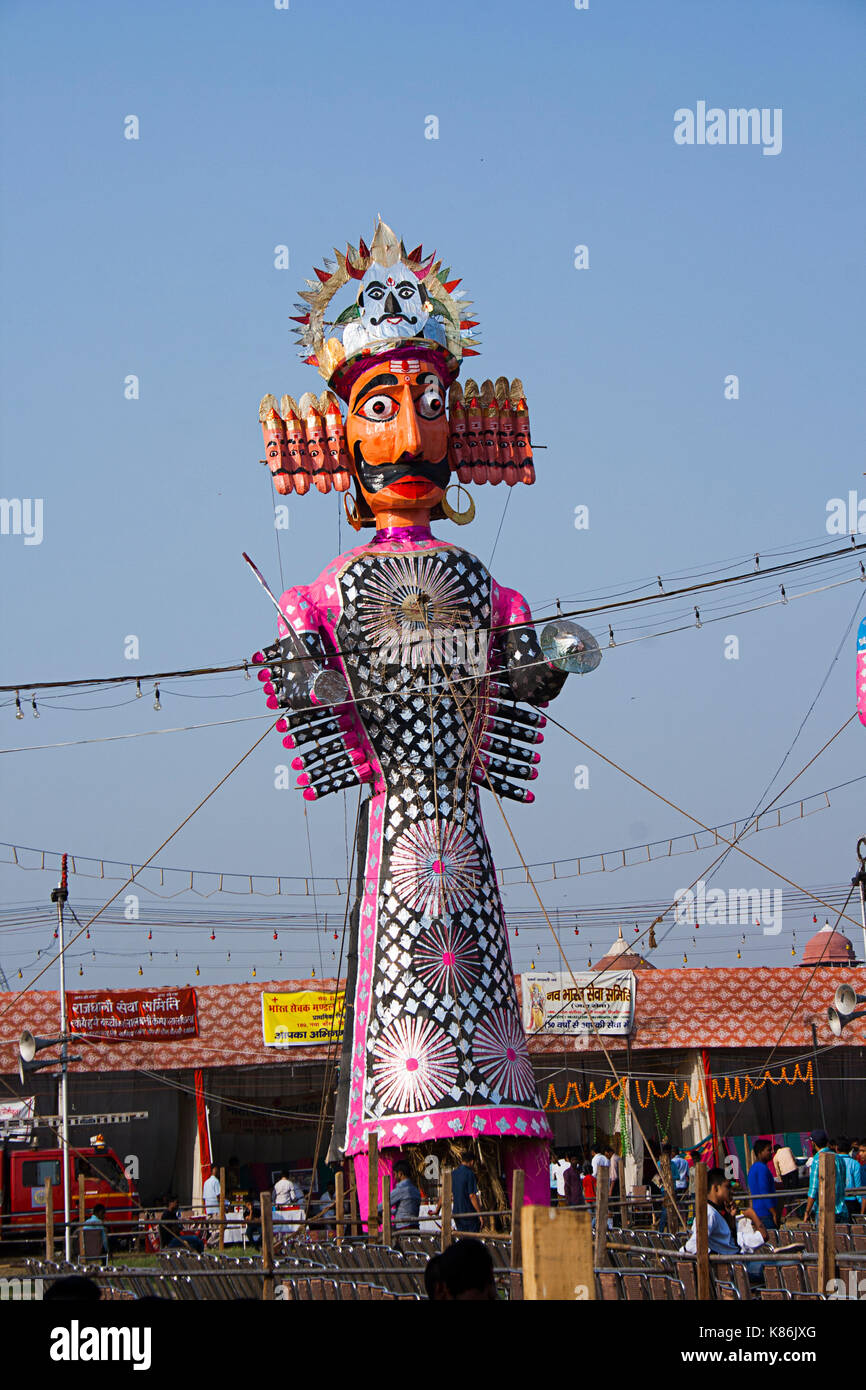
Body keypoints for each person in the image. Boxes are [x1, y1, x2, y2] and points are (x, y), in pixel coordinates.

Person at [681, 1168, 768, 1282]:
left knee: (784, 1264)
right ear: (716, 1188)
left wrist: (730, 1219)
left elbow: (726, 1241)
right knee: (785, 1266)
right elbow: (694, 1245)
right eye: (727, 1187)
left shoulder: (715, 1212)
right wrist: (715, 1257)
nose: (730, 1191)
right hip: (735, 1268)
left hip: (736, 1264)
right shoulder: (709, 1213)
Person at [803, 1130, 849, 1224]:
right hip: (841, 1209)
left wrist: (807, 1211)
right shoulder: (839, 1158)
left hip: (824, 1212)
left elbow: (814, 1189)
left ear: (813, 1143)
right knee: (842, 1238)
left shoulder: (817, 1160)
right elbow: (843, 1183)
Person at [747, 1139, 779, 1230]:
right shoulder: (762, 1168)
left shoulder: (753, 1168)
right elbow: (764, 1191)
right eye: (768, 1150)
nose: (771, 1153)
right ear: (760, 1152)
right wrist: (774, 1213)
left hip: (757, 1213)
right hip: (766, 1214)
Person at [451, 1149, 483, 1234]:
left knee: (462, 1239)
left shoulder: (453, 1173)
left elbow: (445, 1194)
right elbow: (472, 1195)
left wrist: (436, 1210)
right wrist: (479, 1214)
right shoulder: (470, 1173)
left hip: (457, 1212)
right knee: (472, 1240)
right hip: (469, 1214)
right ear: (472, 1162)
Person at [388, 1161, 421, 1231]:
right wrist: (391, 1211)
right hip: (415, 1226)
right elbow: (405, 1209)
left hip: (402, 1227)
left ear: (400, 1174)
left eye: (395, 1174)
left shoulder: (401, 1189)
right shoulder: (415, 1190)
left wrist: (376, 1211)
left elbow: (385, 1203)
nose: (394, 1177)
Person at [837, 1136, 862, 1221]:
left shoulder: (833, 1162)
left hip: (837, 1201)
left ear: (837, 1148)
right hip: (852, 1202)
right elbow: (858, 1186)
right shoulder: (855, 1164)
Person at [273, 1169, 303, 1236]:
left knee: (279, 1223)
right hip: (287, 1208)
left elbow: (273, 1197)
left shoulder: (277, 1184)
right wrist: (296, 1199)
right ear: (288, 1176)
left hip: (278, 1208)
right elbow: (293, 1197)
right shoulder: (290, 1183)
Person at [203, 1163, 221, 1245]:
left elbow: (204, 1197)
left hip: (208, 1208)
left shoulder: (206, 1182)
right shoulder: (216, 1181)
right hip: (215, 1208)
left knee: (212, 1228)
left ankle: (212, 1243)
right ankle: (210, 1242)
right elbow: (218, 1195)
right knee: (218, 1228)